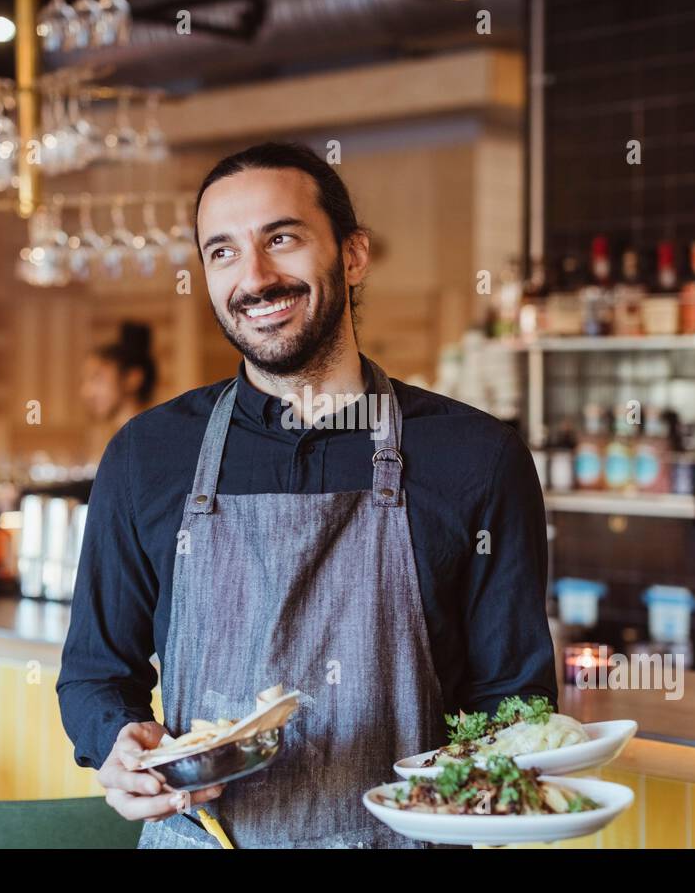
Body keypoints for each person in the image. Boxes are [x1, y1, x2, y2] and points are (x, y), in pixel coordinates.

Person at [57, 141, 556, 848]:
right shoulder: (147, 456)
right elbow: (93, 674)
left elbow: (517, 701)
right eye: (222, 252)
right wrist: (119, 745)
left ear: (352, 257)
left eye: (281, 239)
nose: (254, 278)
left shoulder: (475, 457)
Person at [78, 323, 157, 463]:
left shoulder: (148, 443)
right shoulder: (117, 440)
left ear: (133, 378)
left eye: (97, 378)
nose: (86, 392)